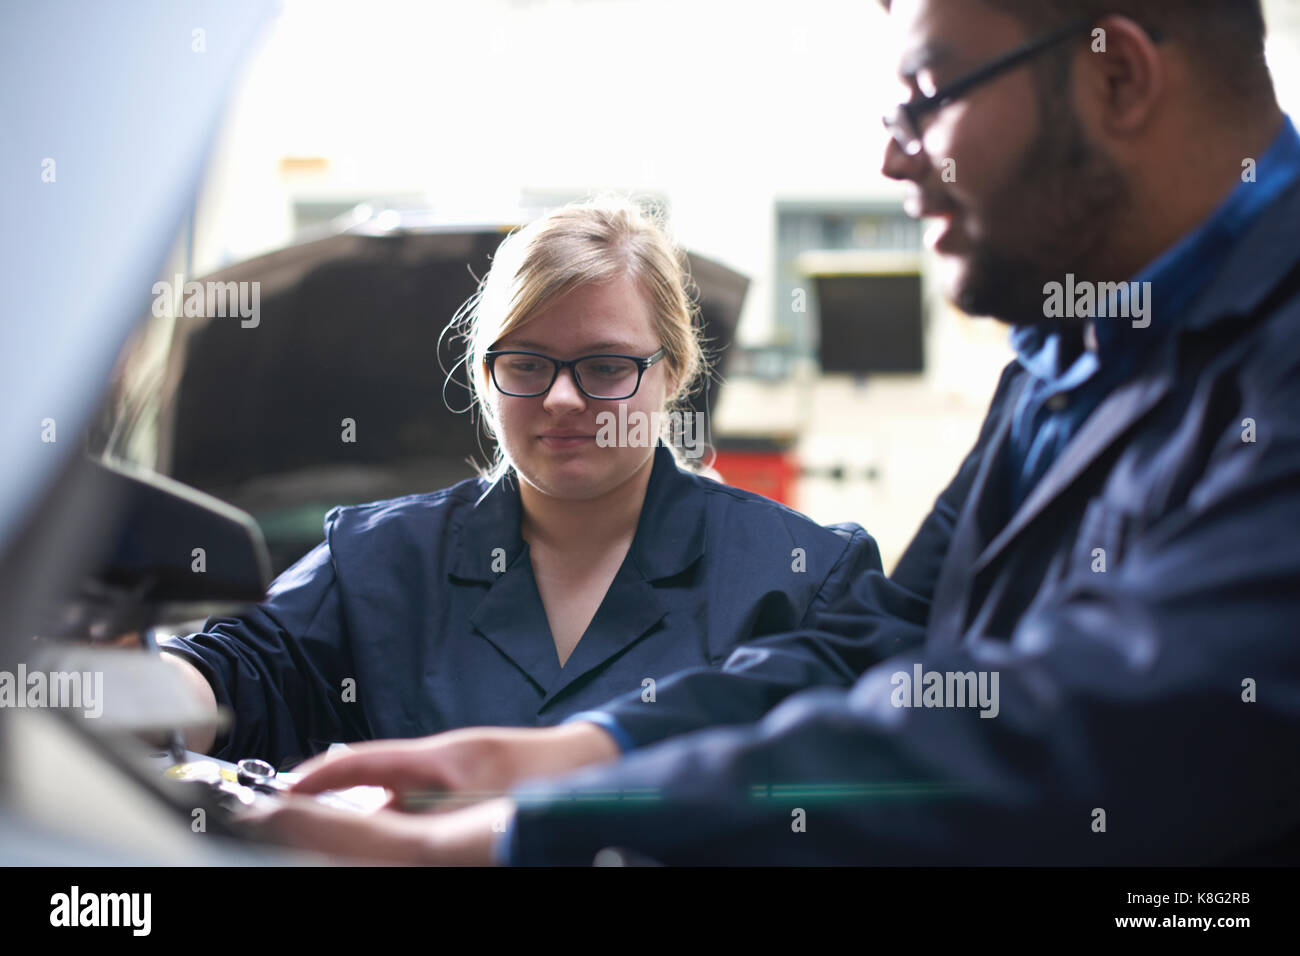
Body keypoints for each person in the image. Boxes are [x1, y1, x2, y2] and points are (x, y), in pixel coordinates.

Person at [249, 0, 1300, 865]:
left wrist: (528, 830)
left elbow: (1090, 724)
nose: (893, 163)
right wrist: (576, 750)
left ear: (1116, 75)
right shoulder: (1067, 352)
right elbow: (893, 646)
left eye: (924, 102)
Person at [158, 197, 884, 769]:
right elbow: (231, 676)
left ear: (673, 372)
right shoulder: (380, 562)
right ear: (483, 376)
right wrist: (114, 684)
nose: (563, 400)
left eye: (604, 366)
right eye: (528, 364)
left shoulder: (804, 580)